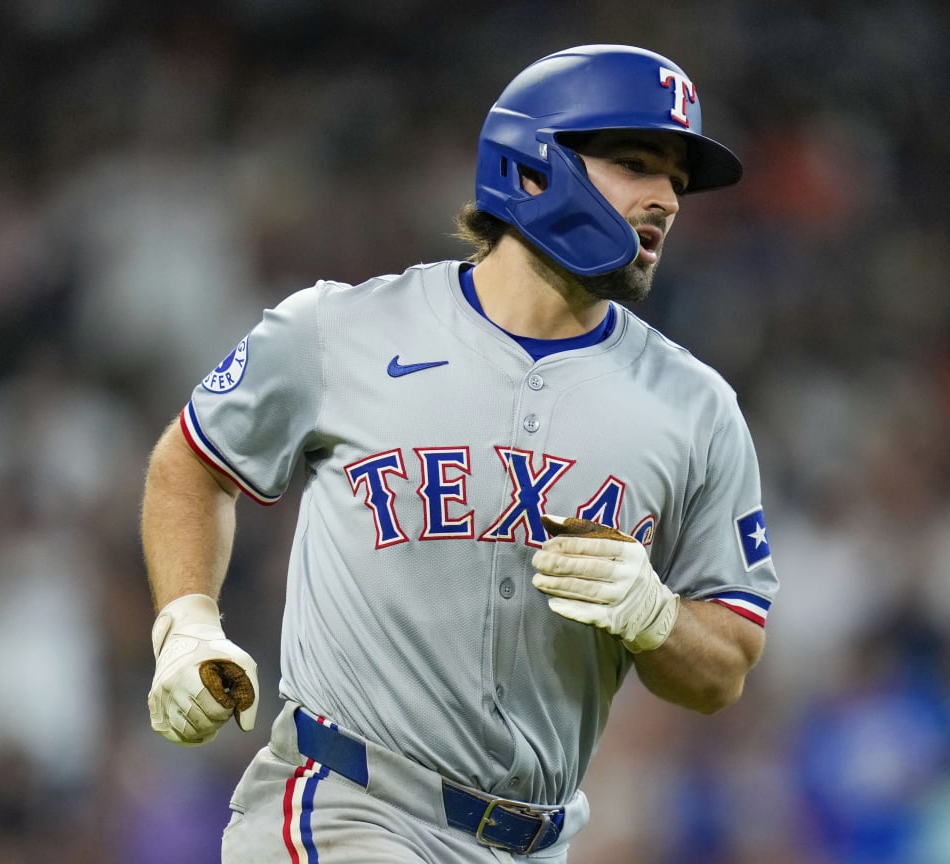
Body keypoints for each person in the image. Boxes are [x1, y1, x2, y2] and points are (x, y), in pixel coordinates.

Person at [142, 44, 779, 862]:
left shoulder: (696, 409)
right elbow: (192, 463)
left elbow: (726, 665)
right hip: (348, 810)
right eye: (635, 163)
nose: (666, 201)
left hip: (536, 842)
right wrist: (188, 624)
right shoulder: (343, 331)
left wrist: (658, 619)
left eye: (677, 184)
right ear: (533, 166)